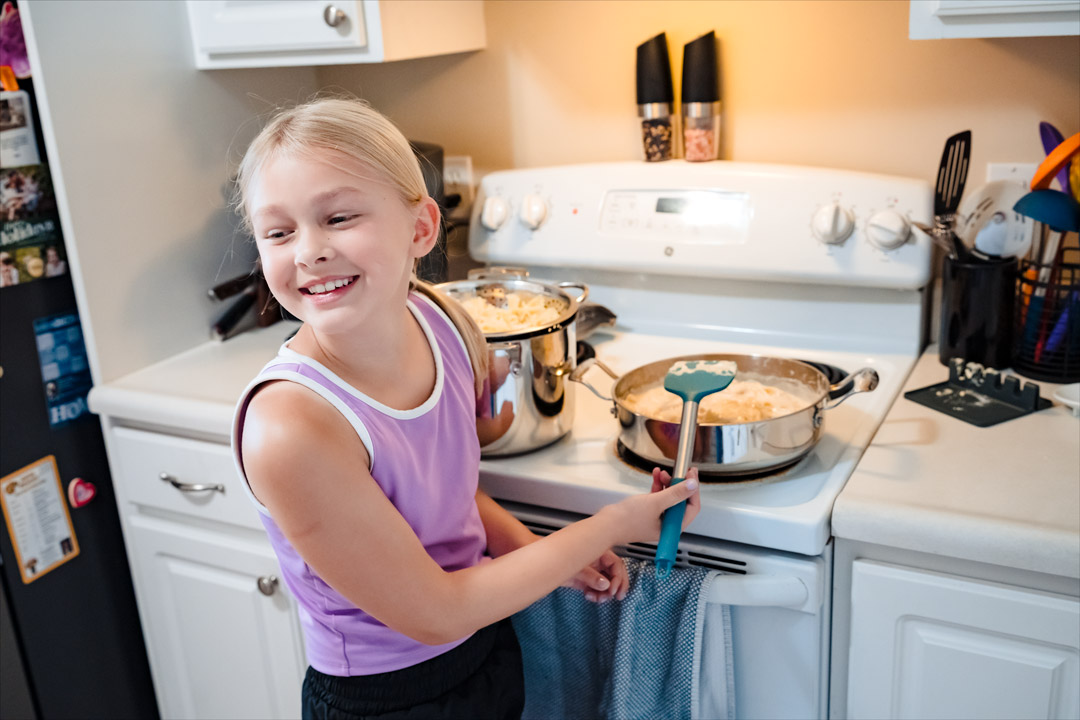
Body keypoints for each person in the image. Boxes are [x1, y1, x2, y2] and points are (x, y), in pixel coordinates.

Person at [230, 96, 701, 720]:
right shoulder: (291, 424)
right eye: (278, 232)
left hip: (486, 649)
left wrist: (537, 553)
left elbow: (446, 495)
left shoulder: (442, 322)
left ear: (421, 229)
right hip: (385, 700)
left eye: (339, 217)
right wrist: (611, 526)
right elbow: (435, 613)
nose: (308, 250)